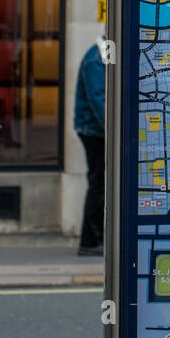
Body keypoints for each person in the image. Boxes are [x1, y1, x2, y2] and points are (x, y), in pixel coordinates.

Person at [74, 40, 107, 256]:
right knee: (97, 184)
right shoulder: (95, 59)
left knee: (100, 184)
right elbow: (99, 99)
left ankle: (95, 237)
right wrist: (115, 131)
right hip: (94, 131)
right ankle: (89, 240)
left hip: (95, 129)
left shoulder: (100, 55)